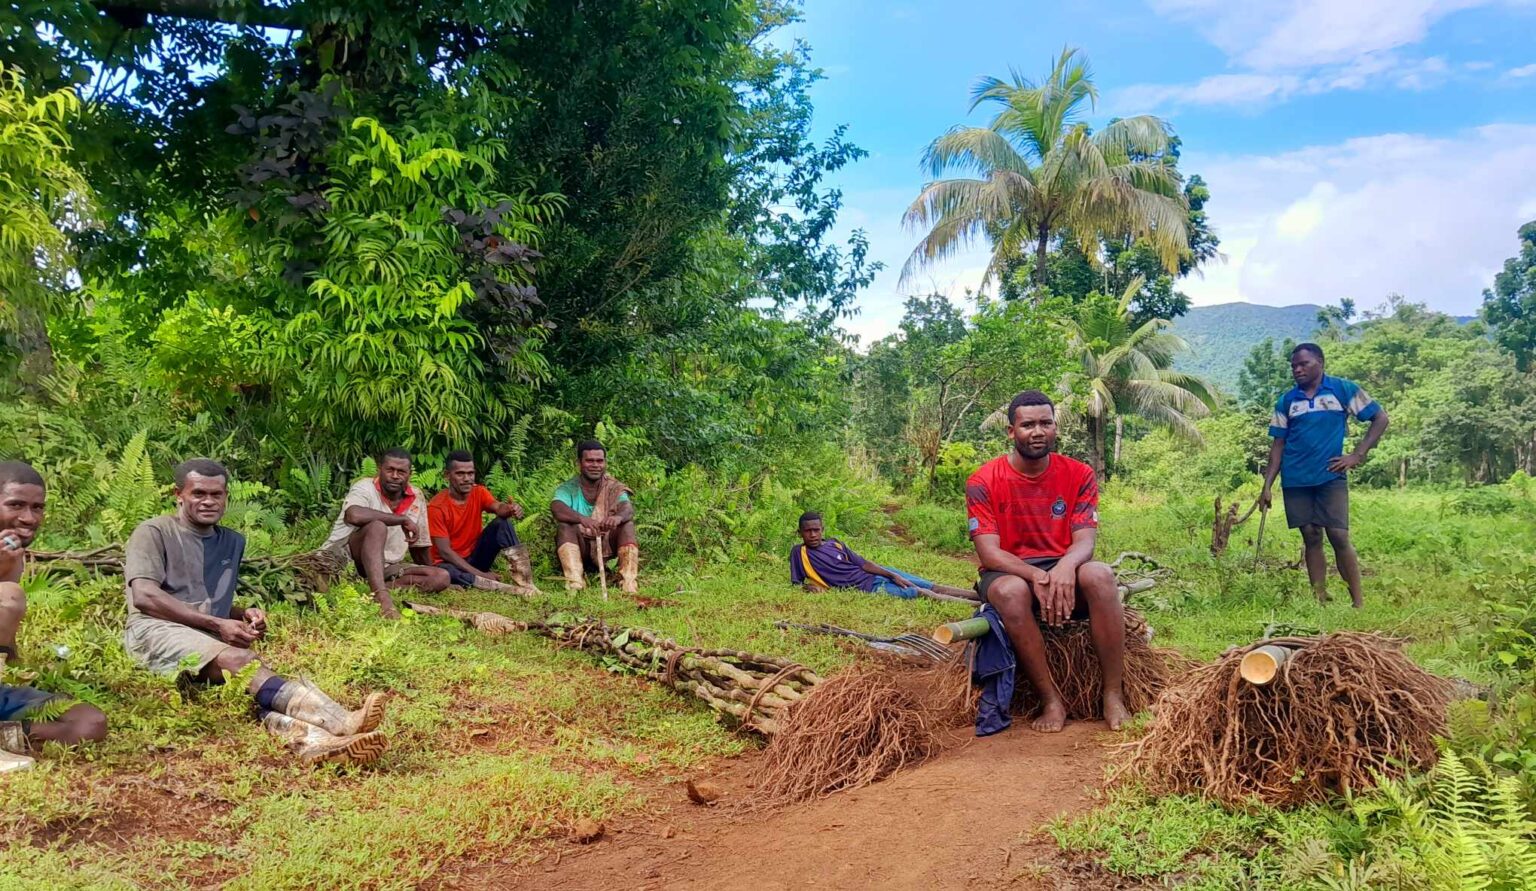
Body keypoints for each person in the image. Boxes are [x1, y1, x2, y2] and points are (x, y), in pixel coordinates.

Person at [124, 458, 388, 766]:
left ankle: (315, 743)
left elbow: (204, 601)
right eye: (198, 493)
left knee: (253, 683)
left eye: (216, 494)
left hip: (203, 635)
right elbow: (145, 597)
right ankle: (340, 721)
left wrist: (242, 614)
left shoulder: (231, 542)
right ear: (178, 494)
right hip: (154, 629)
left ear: (226, 496)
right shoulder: (154, 532)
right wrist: (217, 623)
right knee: (243, 663)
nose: (208, 501)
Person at [965, 390, 1129, 733]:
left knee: (1100, 574)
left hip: (1063, 564)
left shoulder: (1079, 474)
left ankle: (1113, 694)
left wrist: (1065, 567)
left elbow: (1085, 541)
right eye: (1028, 425)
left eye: (1046, 423)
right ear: (1011, 431)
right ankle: (1051, 699)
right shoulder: (983, 481)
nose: (1038, 431)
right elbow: (989, 553)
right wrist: (1036, 576)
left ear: (1056, 427)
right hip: (1009, 570)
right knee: (1010, 591)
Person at [1259, 342, 1389, 608]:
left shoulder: (1342, 389)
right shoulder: (1286, 401)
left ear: (1320, 362)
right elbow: (1278, 446)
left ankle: (1358, 602)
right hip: (1296, 479)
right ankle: (1320, 598)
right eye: (1294, 366)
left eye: (1303, 364)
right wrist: (1267, 486)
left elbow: (1380, 418)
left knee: (1338, 535)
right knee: (1311, 535)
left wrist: (1357, 455)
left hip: (1331, 475)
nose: (1297, 369)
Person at [0, 461, 108, 772]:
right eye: (16, 505)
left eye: (37, 507)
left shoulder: (12, 553)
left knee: (88, 722)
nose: (29, 518)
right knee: (9, 597)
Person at [320, 448, 451, 619]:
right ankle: (381, 596)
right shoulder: (365, 487)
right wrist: (401, 519)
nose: (395, 476)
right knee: (377, 527)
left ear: (409, 474)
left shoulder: (416, 496)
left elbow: (419, 547)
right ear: (380, 469)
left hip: (385, 566)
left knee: (441, 577)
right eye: (390, 470)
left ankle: (372, 588)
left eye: (401, 472)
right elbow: (353, 515)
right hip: (346, 558)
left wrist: (431, 572)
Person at [789, 512, 976, 601]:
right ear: (800, 533)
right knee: (921, 593)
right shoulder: (799, 552)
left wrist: (892, 575)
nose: (812, 535)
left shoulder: (835, 543)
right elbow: (796, 584)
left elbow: (863, 564)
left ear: (822, 530)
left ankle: (981, 597)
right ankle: (974, 606)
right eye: (808, 531)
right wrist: (809, 588)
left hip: (880, 574)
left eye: (816, 530)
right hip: (868, 587)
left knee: (931, 586)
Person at [427, 451, 536, 594]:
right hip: (449, 563)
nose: (467, 479)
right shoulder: (437, 507)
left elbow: (497, 507)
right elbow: (445, 552)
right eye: (460, 474)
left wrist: (510, 509)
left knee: (503, 523)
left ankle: (526, 580)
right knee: (446, 573)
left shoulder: (479, 492)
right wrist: (481, 574)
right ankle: (479, 581)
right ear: (447, 475)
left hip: (474, 558)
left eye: (470, 473)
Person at [550, 440, 639, 593]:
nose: (595, 465)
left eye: (599, 461)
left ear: (605, 463)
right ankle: (575, 583)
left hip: (608, 546)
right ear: (579, 463)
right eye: (590, 461)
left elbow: (627, 508)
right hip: (582, 547)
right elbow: (557, 507)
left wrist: (617, 518)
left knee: (627, 525)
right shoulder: (568, 488)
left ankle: (628, 583)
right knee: (565, 527)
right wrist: (582, 519)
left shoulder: (614, 487)